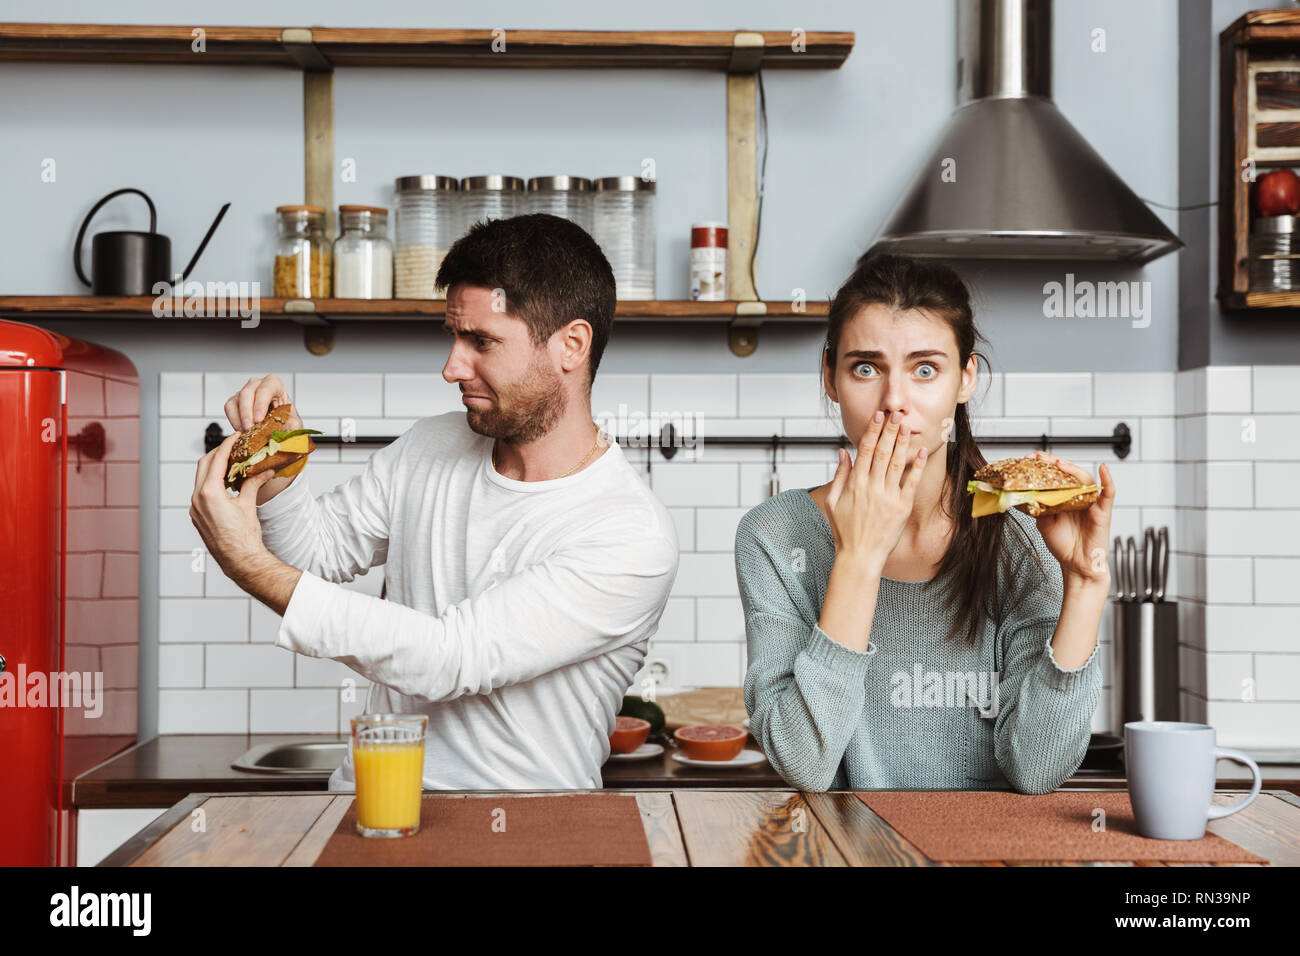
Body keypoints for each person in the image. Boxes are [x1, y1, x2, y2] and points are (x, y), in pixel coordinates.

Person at [189, 213, 680, 791]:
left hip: (530, 837)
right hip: (372, 811)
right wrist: (278, 462)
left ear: (571, 344)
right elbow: (315, 555)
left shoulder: (628, 533)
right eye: (453, 336)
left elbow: (450, 658)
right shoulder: (431, 444)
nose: (451, 367)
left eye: (481, 341)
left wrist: (245, 562)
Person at [734, 253, 1115, 794]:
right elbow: (805, 764)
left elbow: (1038, 771)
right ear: (830, 378)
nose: (894, 402)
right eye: (865, 368)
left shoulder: (1023, 536)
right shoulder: (772, 537)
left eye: (925, 370)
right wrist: (858, 559)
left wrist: (1083, 584)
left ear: (965, 380)